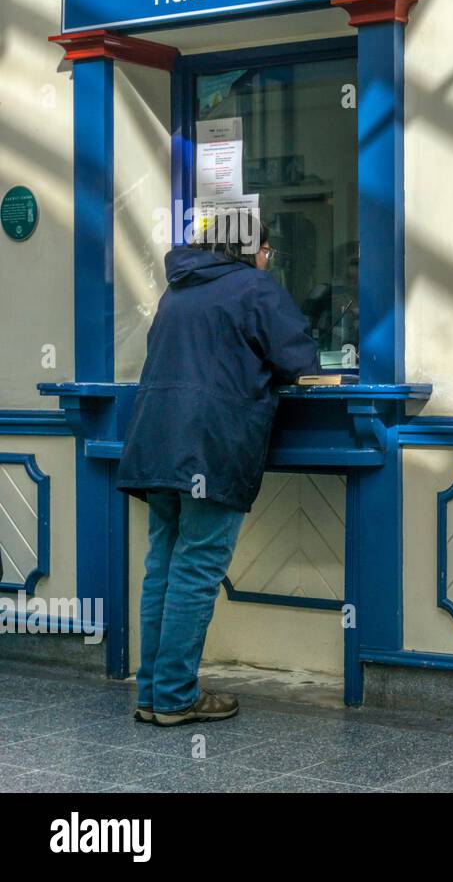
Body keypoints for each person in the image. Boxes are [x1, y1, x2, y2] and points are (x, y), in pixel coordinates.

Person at [117, 218, 317, 727]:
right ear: (251, 249)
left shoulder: (177, 291)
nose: (269, 259)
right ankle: (177, 696)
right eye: (268, 250)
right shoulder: (254, 287)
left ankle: (153, 692)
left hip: (156, 443)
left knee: (162, 565)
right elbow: (300, 359)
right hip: (210, 445)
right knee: (198, 567)